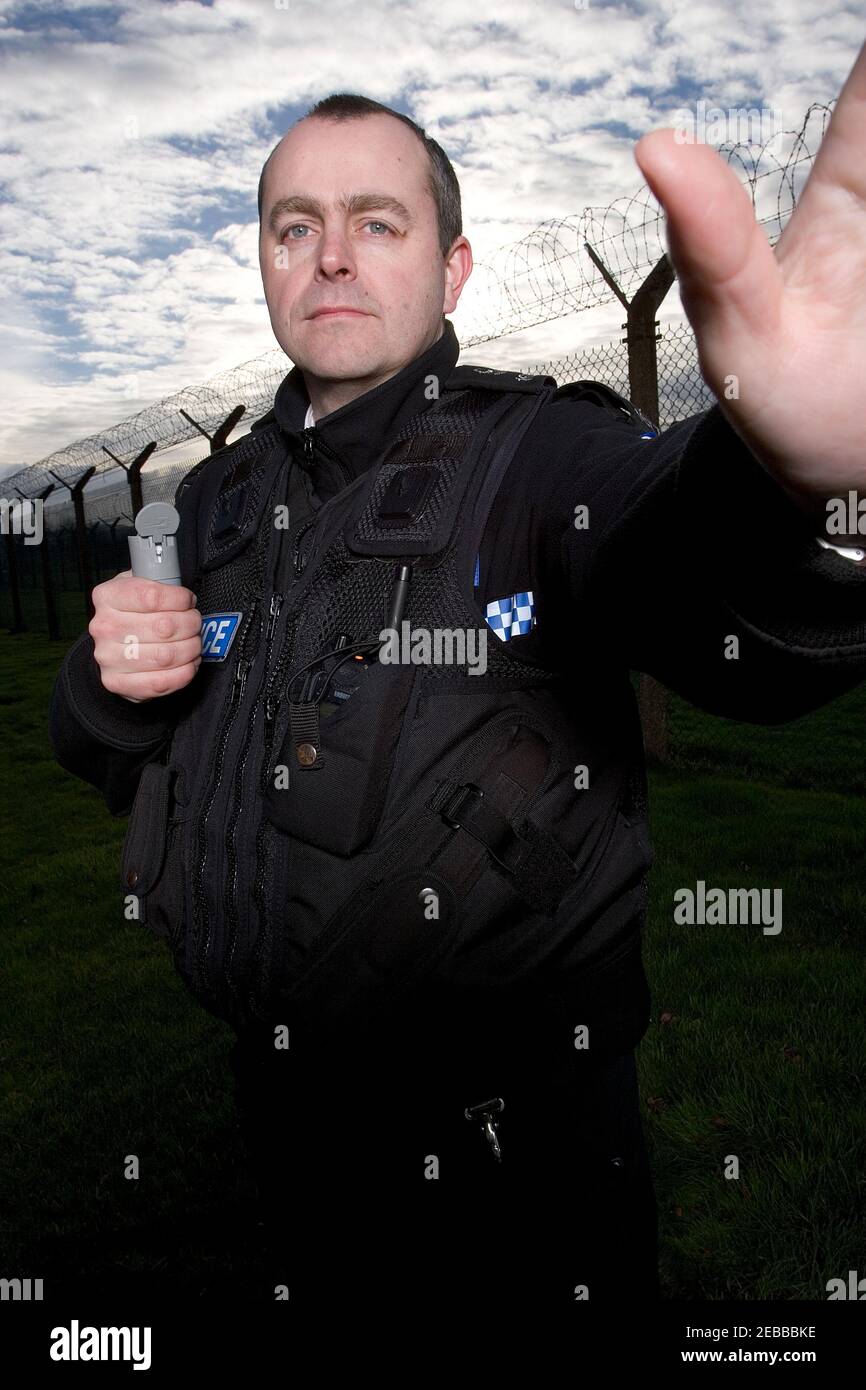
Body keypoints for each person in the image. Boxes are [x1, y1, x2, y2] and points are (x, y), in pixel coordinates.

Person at [49, 79, 866, 1311]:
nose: (330, 256)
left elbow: (688, 580)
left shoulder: (534, 458)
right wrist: (106, 684)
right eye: (294, 226)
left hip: (513, 1148)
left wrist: (788, 487)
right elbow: (102, 742)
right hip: (284, 1111)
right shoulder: (210, 502)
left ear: (453, 266)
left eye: (378, 222)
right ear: (264, 262)